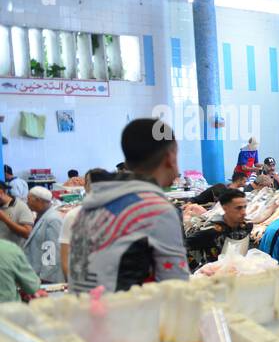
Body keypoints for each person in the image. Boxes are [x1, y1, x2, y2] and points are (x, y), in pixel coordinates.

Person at [69, 118, 190, 292]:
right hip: (127, 315)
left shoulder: (90, 207)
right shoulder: (155, 209)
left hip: (85, 313)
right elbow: (176, 289)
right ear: (170, 157)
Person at [60, 168, 110, 281]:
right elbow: (65, 259)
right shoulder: (73, 216)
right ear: (85, 186)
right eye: (91, 182)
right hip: (83, 282)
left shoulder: (118, 214)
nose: (94, 186)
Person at [185, 188, 252, 270]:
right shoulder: (211, 231)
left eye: (245, 207)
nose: (243, 212)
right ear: (225, 208)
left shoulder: (246, 227)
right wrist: (195, 268)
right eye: (238, 208)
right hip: (213, 277)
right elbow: (180, 247)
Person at [23, 187, 63, 283]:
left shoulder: (52, 220)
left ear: (38, 200)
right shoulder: (42, 217)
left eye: (28, 199)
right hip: (36, 272)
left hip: (46, 277)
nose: (27, 202)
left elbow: (52, 253)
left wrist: (44, 278)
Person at [0, 182, 35, 246]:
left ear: (1, 192)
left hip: (13, 252)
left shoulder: (21, 206)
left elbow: (27, 234)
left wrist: (4, 218)